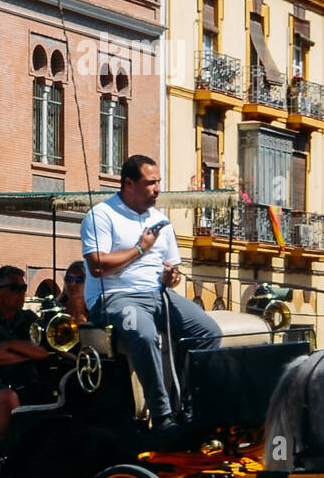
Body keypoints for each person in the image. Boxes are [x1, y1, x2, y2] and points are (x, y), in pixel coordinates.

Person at [80, 154, 221, 440]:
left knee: (208, 332)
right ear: (129, 184)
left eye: (159, 182)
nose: (157, 189)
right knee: (143, 334)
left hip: (158, 293)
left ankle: (190, 408)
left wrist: (172, 277)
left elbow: (173, 268)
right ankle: (161, 416)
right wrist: (140, 249)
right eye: (150, 183)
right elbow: (96, 266)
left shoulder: (160, 220)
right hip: (117, 298)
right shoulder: (101, 215)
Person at [0, 266, 56, 437]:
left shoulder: (29, 318)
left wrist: (9, 345)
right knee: (8, 398)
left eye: (23, 288)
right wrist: (27, 353)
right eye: (15, 288)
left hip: (24, 381)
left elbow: (43, 351)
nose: (21, 293)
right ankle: (4, 456)